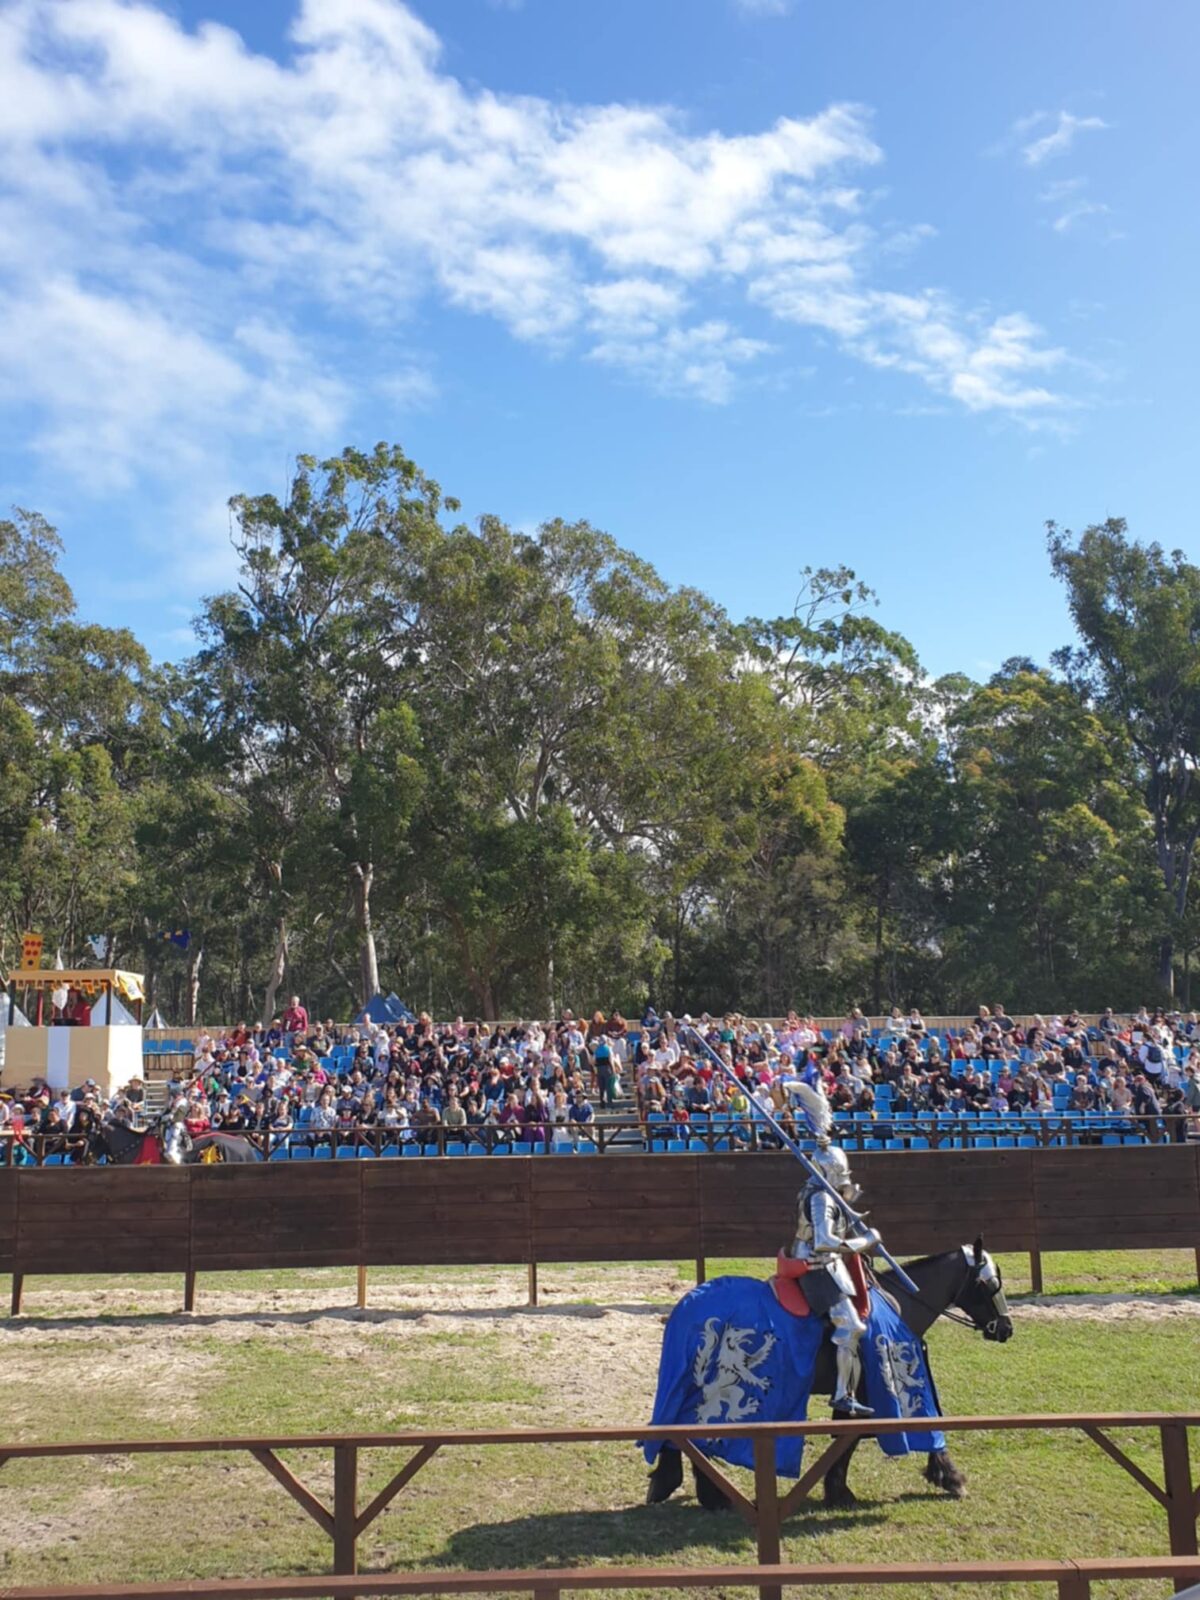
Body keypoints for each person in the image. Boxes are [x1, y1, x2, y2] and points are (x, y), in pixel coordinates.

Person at [777, 1083, 879, 1417]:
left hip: (823, 1264)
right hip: (818, 1266)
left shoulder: (820, 1191)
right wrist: (866, 1242)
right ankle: (842, 1395)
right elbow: (824, 1241)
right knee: (852, 1328)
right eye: (842, 1175)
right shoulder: (822, 1197)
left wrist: (848, 1203)